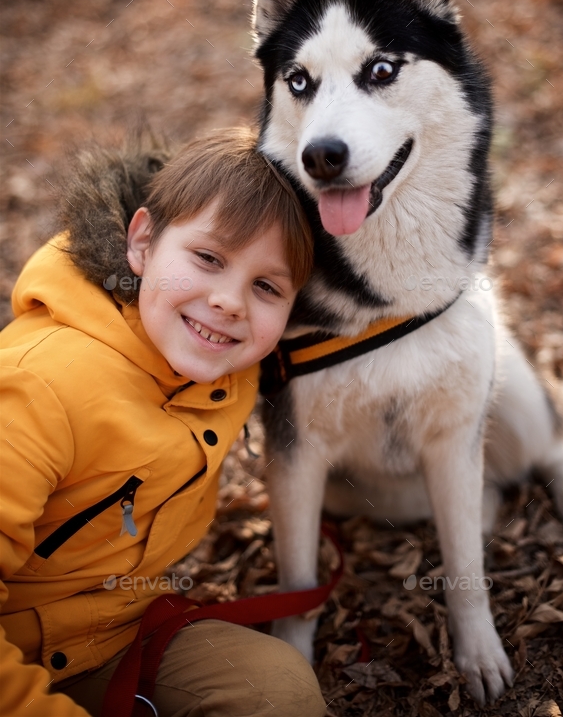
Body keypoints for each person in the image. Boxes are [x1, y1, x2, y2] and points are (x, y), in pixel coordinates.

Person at [0, 128, 324, 717]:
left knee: (279, 694)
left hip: (115, 632)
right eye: (207, 257)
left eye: (266, 286)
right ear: (143, 242)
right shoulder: (40, 389)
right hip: (14, 653)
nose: (230, 301)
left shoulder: (228, 362)